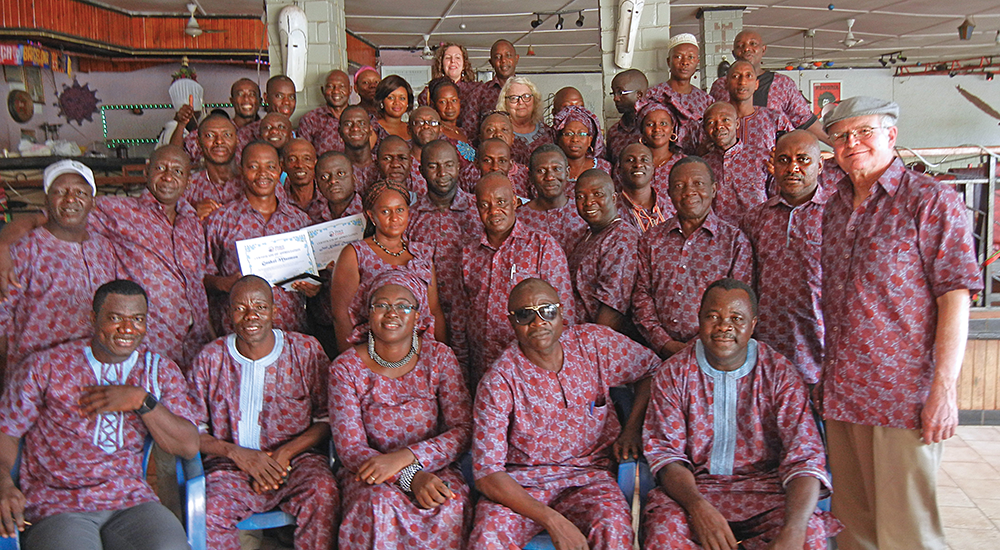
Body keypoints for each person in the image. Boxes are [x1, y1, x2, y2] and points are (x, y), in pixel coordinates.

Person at [819, 97, 982, 550]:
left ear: (891, 136)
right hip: (844, 395)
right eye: (841, 135)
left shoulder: (929, 200)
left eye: (864, 132)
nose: (852, 143)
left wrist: (944, 391)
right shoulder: (834, 209)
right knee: (854, 530)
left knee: (908, 533)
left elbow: (955, 296)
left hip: (902, 398)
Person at [642, 278, 840, 550]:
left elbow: (805, 458)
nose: (724, 326)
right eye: (713, 316)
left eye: (737, 318)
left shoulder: (779, 373)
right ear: (698, 319)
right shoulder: (674, 374)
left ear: (753, 325)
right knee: (664, 533)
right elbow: (667, 456)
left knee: (809, 536)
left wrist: (794, 530)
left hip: (768, 494)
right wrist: (698, 507)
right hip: (694, 492)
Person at [0, 280, 199, 548]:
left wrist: (141, 400)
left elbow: (188, 445)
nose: (128, 329)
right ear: (93, 319)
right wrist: (3, 482)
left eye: (137, 319)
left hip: (131, 501)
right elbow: (7, 431)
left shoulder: (158, 370)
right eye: (115, 318)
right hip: (59, 503)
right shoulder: (46, 366)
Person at [469, 278, 661, 550]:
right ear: (512, 322)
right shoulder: (499, 381)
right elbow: (487, 474)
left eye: (547, 310)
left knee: (614, 528)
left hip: (589, 479)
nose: (538, 323)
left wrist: (632, 428)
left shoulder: (594, 344)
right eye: (525, 315)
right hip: (523, 485)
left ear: (561, 312)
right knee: (487, 536)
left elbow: (652, 369)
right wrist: (553, 520)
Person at [0, 145, 212, 370]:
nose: (168, 177)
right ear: (146, 171)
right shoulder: (117, 210)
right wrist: (3, 244)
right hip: (146, 339)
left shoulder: (192, 222)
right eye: (161, 168)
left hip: (194, 342)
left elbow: (197, 280)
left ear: (189, 180)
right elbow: (44, 218)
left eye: (178, 171)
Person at [190, 275, 338, 550]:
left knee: (323, 491)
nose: (251, 315)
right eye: (240, 308)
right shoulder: (210, 359)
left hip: (296, 462)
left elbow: (327, 418)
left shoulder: (305, 350)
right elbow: (191, 432)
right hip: (230, 467)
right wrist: (239, 455)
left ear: (274, 310)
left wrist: (284, 454)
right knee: (209, 509)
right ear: (229, 313)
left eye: (259, 306)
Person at [329, 272, 472, 548]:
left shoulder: (440, 357)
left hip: (435, 468)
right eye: (381, 305)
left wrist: (409, 458)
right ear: (367, 315)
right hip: (370, 473)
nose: (392, 313)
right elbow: (349, 448)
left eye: (404, 306)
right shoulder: (345, 368)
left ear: (418, 316)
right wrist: (409, 476)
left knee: (449, 504)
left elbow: (463, 430)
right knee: (377, 504)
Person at [0, 161, 119, 384]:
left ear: (93, 202)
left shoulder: (105, 248)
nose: (71, 199)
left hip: (94, 375)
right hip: (35, 379)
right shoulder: (24, 249)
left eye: (80, 192)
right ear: (46, 200)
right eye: (60, 192)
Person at [460, 173, 577, 384]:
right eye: (484, 205)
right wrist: (461, 367)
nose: (494, 211)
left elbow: (564, 312)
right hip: (482, 367)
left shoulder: (542, 246)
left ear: (515, 201)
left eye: (501, 202)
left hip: (532, 369)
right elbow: (459, 317)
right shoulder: (469, 253)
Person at [631, 156, 752, 359]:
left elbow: (739, 305)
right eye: (679, 186)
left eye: (698, 184)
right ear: (669, 194)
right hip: (657, 354)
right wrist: (664, 343)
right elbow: (641, 295)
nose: (689, 192)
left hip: (714, 354)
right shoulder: (651, 239)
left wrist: (697, 346)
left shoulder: (735, 242)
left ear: (713, 189)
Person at [740, 130, 832, 387]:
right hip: (766, 351)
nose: (793, 167)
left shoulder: (838, 216)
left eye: (803, 159)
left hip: (822, 351)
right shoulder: (756, 219)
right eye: (784, 160)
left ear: (820, 165)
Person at [204, 142, 316, 336]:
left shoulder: (300, 221)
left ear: (280, 169)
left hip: (291, 328)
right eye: (254, 167)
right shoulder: (220, 220)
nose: (263, 174)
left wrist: (314, 287)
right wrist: (225, 283)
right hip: (237, 333)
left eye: (271, 167)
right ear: (241, 170)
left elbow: (314, 277)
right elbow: (200, 276)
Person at [330, 180, 447, 355]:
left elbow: (434, 309)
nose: (394, 217)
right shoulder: (356, 253)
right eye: (385, 211)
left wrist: (442, 354)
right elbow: (341, 315)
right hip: (374, 352)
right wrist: (354, 362)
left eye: (400, 209)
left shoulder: (421, 253)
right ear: (371, 215)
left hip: (421, 352)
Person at [406, 141, 480, 350]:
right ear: (421, 171)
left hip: (473, 315)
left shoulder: (478, 211)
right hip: (427, 319)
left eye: (448, 165)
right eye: (433, 166)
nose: (442, 173)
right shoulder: (410, 218)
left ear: (458, 166)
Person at [709, 30, 828, 143]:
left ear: (763, 49)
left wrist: (834, 143)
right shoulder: (720, 86)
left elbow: (805, 120)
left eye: (753, 44)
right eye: (740, 46)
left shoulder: (782, 84)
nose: (746, 49)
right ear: (733, 53)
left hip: (769, 158)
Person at [568, 169, 640, 335]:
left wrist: (592, 345)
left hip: (595, 339)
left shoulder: (622, 237)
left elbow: (613, 307)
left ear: (614, 198)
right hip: (573, 331)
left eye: (597, 194)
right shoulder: (584, 235)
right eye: (580, 196)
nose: (588, 202)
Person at [700, 102, 769, 225]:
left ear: (737, 124)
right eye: (711, 122)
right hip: (717, 236)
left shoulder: (762, 157)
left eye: (725, 120)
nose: (719, 126)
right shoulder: (702, 165)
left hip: (756, 232)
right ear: (705, 129)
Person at [646, 34, 714, 154]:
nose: (685, 62)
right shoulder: (653, 95)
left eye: (691, 57)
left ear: (697, 62)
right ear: (669, 61)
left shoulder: (706, 100)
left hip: (697, 163)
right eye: (678, 57)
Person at [517, 144, 588, 254]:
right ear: (530, 176)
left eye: (557, 169)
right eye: (541, 171)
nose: (549, 177)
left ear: (567, 172)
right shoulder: (519, 218)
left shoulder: (583, 211)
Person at [725, 60, 794, 152]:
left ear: (756, 84)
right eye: (735, 76)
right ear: (726, 84)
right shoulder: (716, 121)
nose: (742, 82)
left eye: (748, 76)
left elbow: (795, 148)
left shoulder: (775, 118)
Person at [185, 112, 244, 220]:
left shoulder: (254, 181)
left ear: (237, 140)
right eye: (210, 135)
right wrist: (192, 215)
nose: (219, 141)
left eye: (227, 135)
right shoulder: (188, 186)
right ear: (198, 143)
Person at [458, 113, 530, 196]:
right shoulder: (468, 174)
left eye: (504, 130)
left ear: (512, 138)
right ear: (480, 138)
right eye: (490, 130)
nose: (498, 134)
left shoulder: (524, 173)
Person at [616, 143, 675, 232]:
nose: (638, 165)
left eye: (644, 159)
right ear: (619, 170)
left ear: (653, 168)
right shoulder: (611, 211)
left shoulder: (671, 206)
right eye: (630, 160)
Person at [466, 39, 519, 136]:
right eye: (498, 57)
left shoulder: (528, 91)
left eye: (508, 55)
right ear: (491, 62)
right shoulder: (479, 93)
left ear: (516, 59)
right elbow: (470, 132)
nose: (503, 60)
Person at [496, 76, 554, 165]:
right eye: (514, 98)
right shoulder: (499, 135)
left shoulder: (548, 133)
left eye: (526, 97)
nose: (521, 102)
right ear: (505, 102)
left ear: (535, 100)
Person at [237, 75, 297, 155]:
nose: (286, 102)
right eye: (279, 96)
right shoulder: (245, 134)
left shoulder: (296, 133)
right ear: (266, 98)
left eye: (291, 97)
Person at [636, 102, 686, 198]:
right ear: (642, 131)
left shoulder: (684, 164)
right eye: (650, 124)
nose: (657, 129)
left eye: (663, 123)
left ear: (672, 129)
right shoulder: (631, 163)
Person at [298, 69, 351, 156]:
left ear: (350, 90)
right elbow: (304, 156)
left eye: (341, 86)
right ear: (322, 90)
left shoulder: (361, 117)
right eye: (330, 86)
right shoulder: (310, 120)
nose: (336, 91)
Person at [553, 105, 611, 183]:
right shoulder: (552, 170)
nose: (575, 139)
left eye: (582, 134)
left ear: (590, 140)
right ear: (559, 140)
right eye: (568, 134)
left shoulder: (604, 167)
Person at [606, 69, 648, 165]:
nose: (615, 98)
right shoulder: (614, 132)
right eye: (614, 93)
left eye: (620, 92)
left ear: (639, 95)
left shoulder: (653, 127)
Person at [313, 151, 364, 223]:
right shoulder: (314, 218)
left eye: (341, 173)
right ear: (317, 183)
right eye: (324, 176)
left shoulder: (370, 212)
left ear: (354, 178)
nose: (333, 180)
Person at [339, 105, 378, 192]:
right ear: (340, 132)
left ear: (370, 130)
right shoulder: (334, 168)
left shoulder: (382, 164)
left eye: (361, 123)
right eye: (348, 124)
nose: (355, 128)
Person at [282, 138, 323, 220]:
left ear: (315, 164)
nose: (300, 165)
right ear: (283, 166)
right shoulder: (277, 199)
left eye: (306, 159)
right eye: (292, 159)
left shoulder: (328, 195)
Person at [373, 75, 414, 140]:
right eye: (391, 98)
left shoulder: (412, 129)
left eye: (402, 98)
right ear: (381, 101)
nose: (397, 102)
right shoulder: (374, 129)